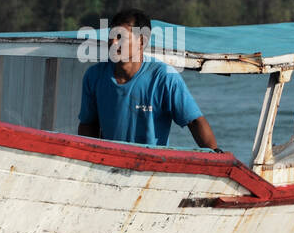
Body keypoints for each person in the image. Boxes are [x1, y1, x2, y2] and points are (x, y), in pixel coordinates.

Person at [77, 8, 220, 151]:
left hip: (150, 166)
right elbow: (88, 124)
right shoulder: (94, 76)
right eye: (112, 36)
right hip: (110, 164)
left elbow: (194, 121)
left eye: (121, 37)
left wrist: (216, 156)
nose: (114, 42)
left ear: (142, 41)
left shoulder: (165, 77)